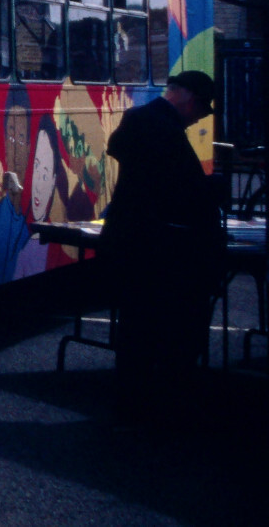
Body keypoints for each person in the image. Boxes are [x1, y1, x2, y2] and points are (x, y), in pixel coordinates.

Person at [99, 70, 222, 423]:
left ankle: (132, 402)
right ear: (189, 99)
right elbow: (180, 188)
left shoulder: (140, 119)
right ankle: (151, 407)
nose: (199, 117)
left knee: (136, 328)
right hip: (158, 248)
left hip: (132, 242)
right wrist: (213, 187)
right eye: (200, 107)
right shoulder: (161, 127)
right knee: (155, 329)